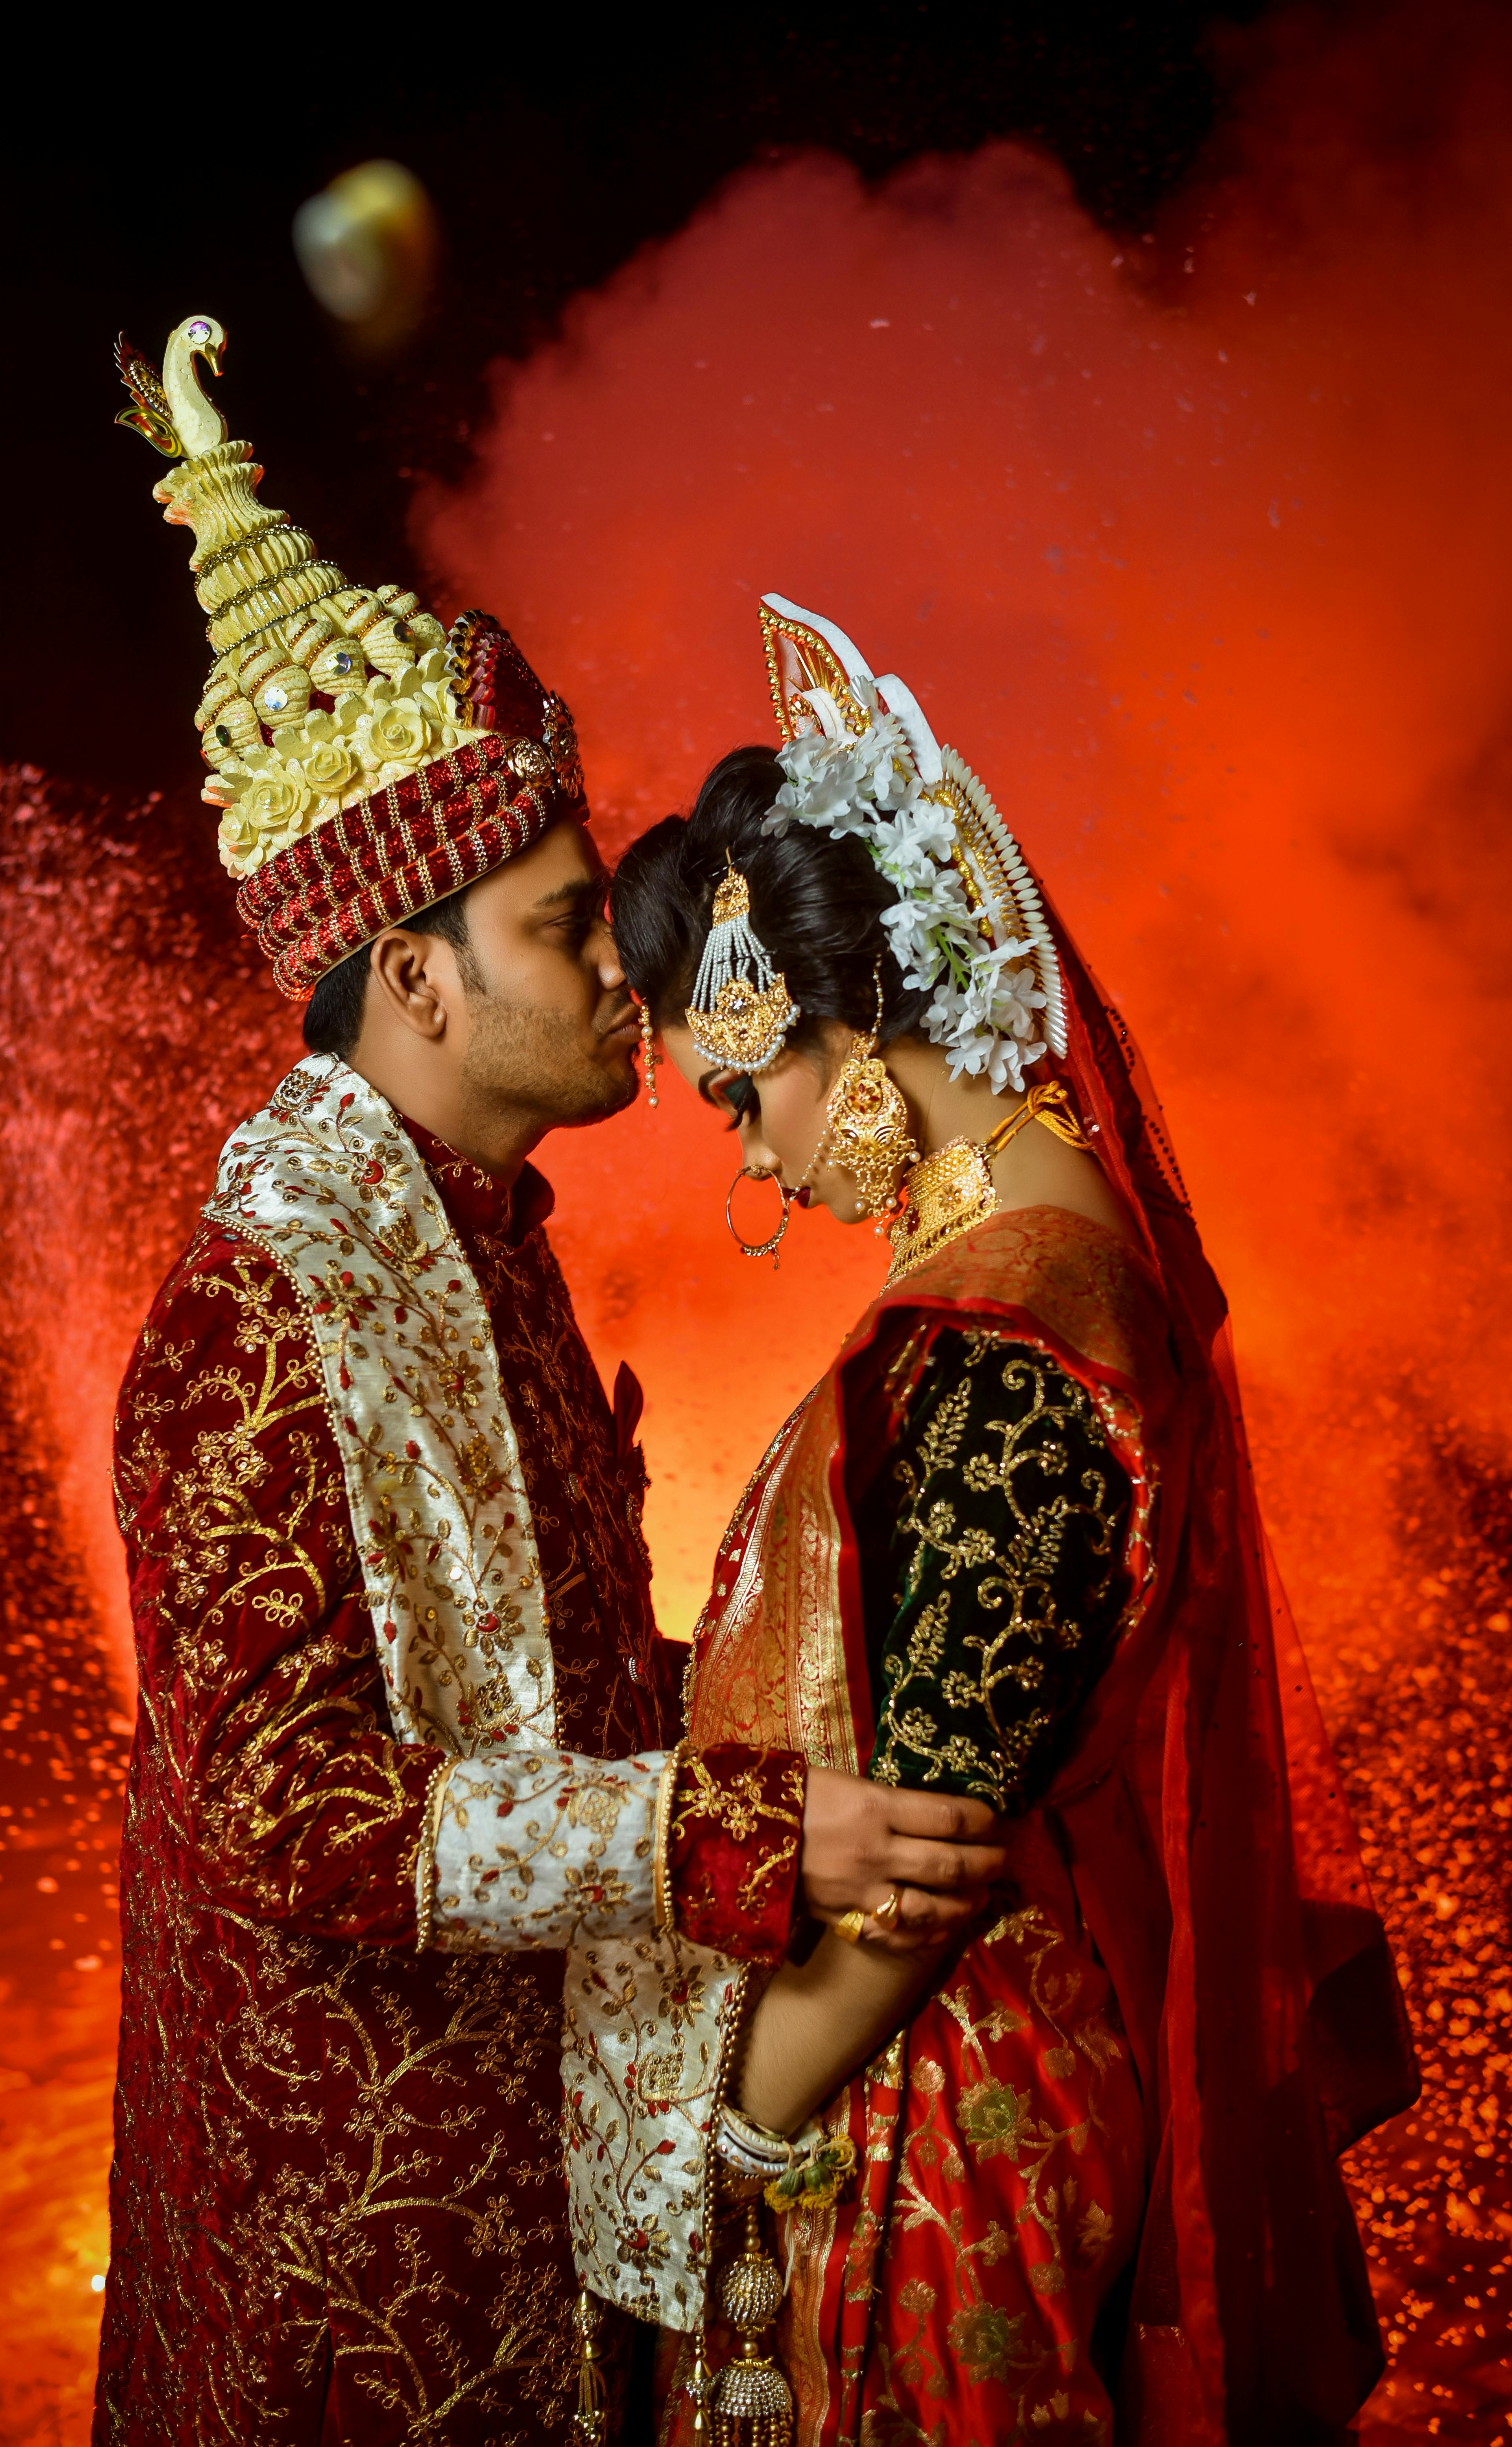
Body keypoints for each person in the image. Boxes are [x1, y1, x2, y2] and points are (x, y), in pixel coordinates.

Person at [97, 336, 1001, 2445]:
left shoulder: (491, 1241)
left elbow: (571, 1701)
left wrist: (822, 1718)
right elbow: (276, 1809)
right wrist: (727, 1831)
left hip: (549, 2164)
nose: (633, 976)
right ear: (415, 975)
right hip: (363, 2257)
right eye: (570, 924)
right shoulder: (257, 1319)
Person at [599, 596, 1418, 2443]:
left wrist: (724, 2129)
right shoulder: (1024, 1273)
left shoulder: (1014, 1330)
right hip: (954, 2061)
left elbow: (929, 1842)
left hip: (939, 2106)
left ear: (849, 1019)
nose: (747, 1153)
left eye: (745, 1090)